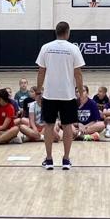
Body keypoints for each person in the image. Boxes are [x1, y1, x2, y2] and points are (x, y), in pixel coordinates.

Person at [34, 21, 85, 170]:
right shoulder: (73, 49)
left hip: (49, 94)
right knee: (67, 126)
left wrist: (38, 91)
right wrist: (81, 93)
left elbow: (41, 72)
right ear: (67, 32)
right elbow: (78, 74)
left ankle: (49, 160)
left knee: (49, 126)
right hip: (67, 95)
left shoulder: (46, 47)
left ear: (56, 32)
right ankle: (66, 160)